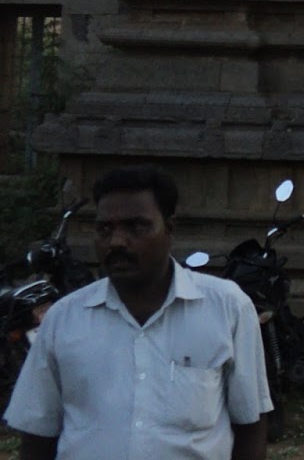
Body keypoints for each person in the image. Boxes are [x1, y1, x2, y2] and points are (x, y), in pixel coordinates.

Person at [5, 165, 273, 460]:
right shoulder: (64, 319)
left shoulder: (227, 307)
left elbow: (250, 426)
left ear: (170, 228)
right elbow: (38, 435)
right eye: (105, 229)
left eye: (137, 227)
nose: (117, 241)